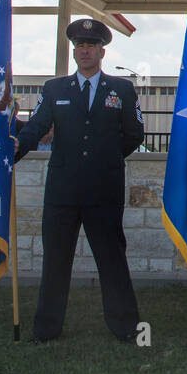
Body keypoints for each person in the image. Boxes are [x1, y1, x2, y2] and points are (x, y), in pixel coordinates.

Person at [13, 17, 144, 344]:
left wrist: (107, 159)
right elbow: (37, 126)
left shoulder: (122, 89)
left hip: (104, 188)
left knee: (112, 260)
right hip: (63, 190)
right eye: (79, 46)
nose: (84, 51)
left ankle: (126, 327)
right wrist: (15, 148)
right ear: (74, 52)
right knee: (56, 260)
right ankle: (46, 329)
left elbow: (134, 133)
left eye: (90, 46)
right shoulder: (54, 88)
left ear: (102, 51)